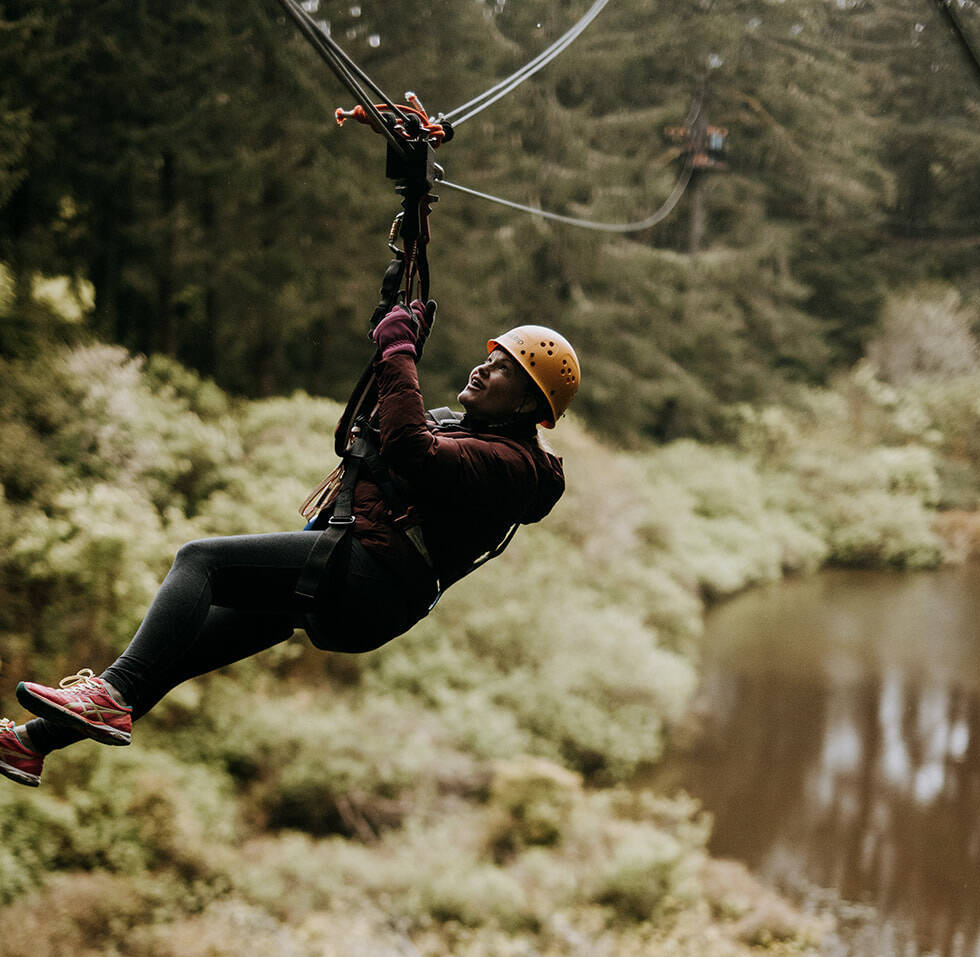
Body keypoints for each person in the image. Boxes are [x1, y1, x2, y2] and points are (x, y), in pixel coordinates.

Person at [0, 308, 580, 788]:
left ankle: (111, 693)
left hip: (370, 577)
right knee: (178, 653)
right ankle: (32, 745)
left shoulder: (514, 467)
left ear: (530, 406)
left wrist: (401, 352)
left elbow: (409, 450)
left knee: (201, 560)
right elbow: (383, 431)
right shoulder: (465, 432)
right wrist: (393, 358)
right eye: (489, 357)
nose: (483, 368)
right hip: (362, 575)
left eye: (502, 370)